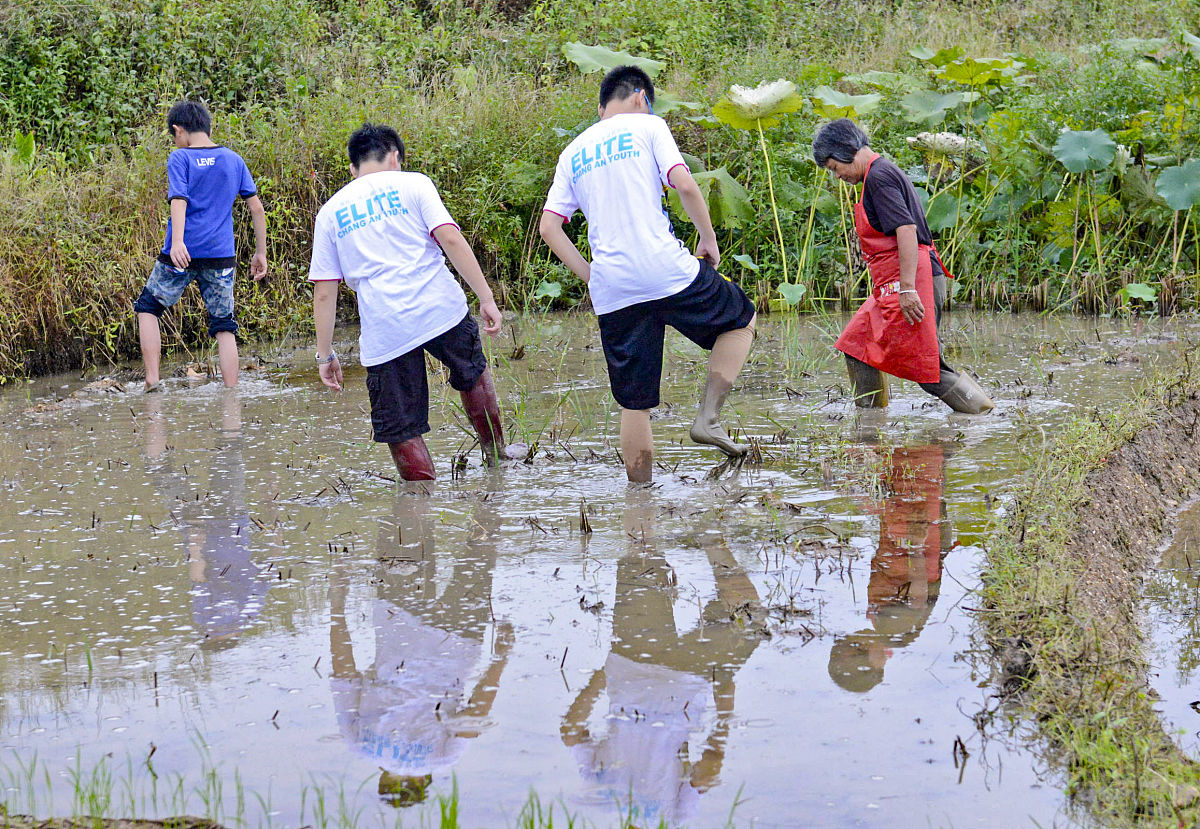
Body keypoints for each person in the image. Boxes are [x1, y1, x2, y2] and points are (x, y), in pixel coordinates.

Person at [539, 66, 757, 483]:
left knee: (633, 404)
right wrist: (707, 238)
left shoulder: (572, 152)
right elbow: (685, 185)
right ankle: (707, 419)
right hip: (666, 270)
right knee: (741, 319)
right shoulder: (648, 126)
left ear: (602, 107)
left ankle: (639, 504)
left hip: (614, 289)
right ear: (641, 96)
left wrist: (592, 275)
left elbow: (549, 228)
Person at [309, 124, 506, 480]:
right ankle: (497, 457)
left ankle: (420, 506)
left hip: (386, 328)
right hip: (441, 308)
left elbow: (324, 290)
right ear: (395, 156)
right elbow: (450, 237)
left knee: (401, 424)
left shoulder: (330, 212)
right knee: (472, 373)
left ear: (353, 169)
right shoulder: (415, 183)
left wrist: (326, 355)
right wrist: (486, 296)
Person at [812, 118, 993, 414]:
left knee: (928, 370)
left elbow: (906, 230)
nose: (837, 176)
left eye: (834, 167)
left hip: (911, 280)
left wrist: (908, 289)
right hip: (897, 281)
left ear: (846, 150)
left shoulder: (879, 178)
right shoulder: (878, 173)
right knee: (857, 347)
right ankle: (871, 422)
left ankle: (985, 416)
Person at [134, 100, 268, 391]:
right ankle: (232, 392)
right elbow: (257, 209)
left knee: (148, 307)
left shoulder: (180, 158)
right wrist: (261, 253)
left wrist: (179, 241)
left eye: (174, 136)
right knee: (223, 324)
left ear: (178, 130)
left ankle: (152, 380)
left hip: (181, 253)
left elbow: (179, 199)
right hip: (221, 255)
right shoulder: (233, 159)